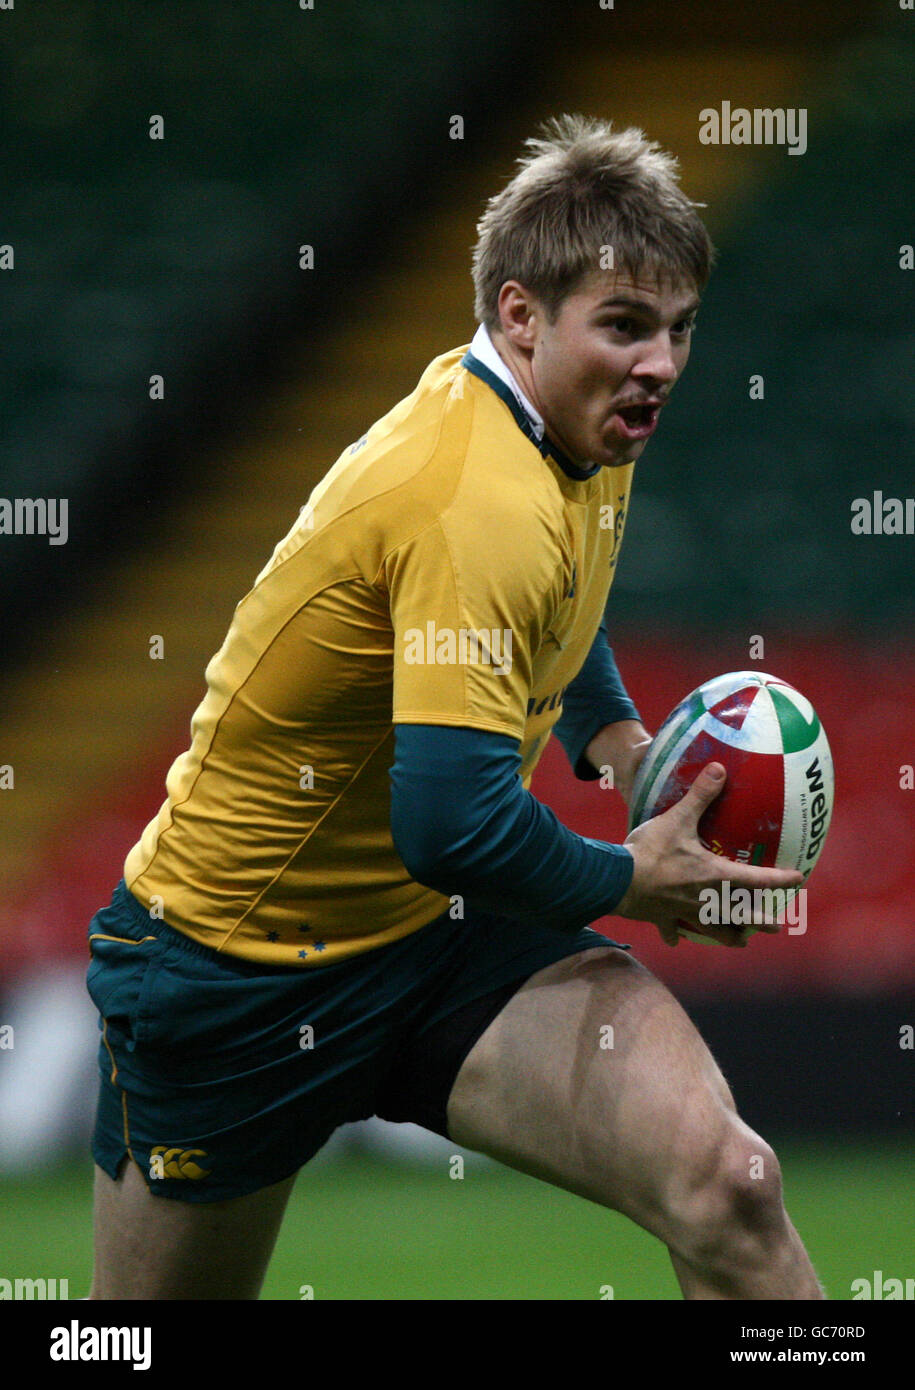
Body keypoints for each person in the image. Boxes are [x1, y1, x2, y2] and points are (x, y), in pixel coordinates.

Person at [86, 114, 822, 1299]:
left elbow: (557, 611)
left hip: (432, 937)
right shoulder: (467, 493)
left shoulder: (580, 422)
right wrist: (639, 876)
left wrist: (621, 744)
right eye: (627, 327)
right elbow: (456, 827)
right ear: (520, 315)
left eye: (679, 330)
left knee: (727, 1186)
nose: (662, 366)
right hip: (237, 966)